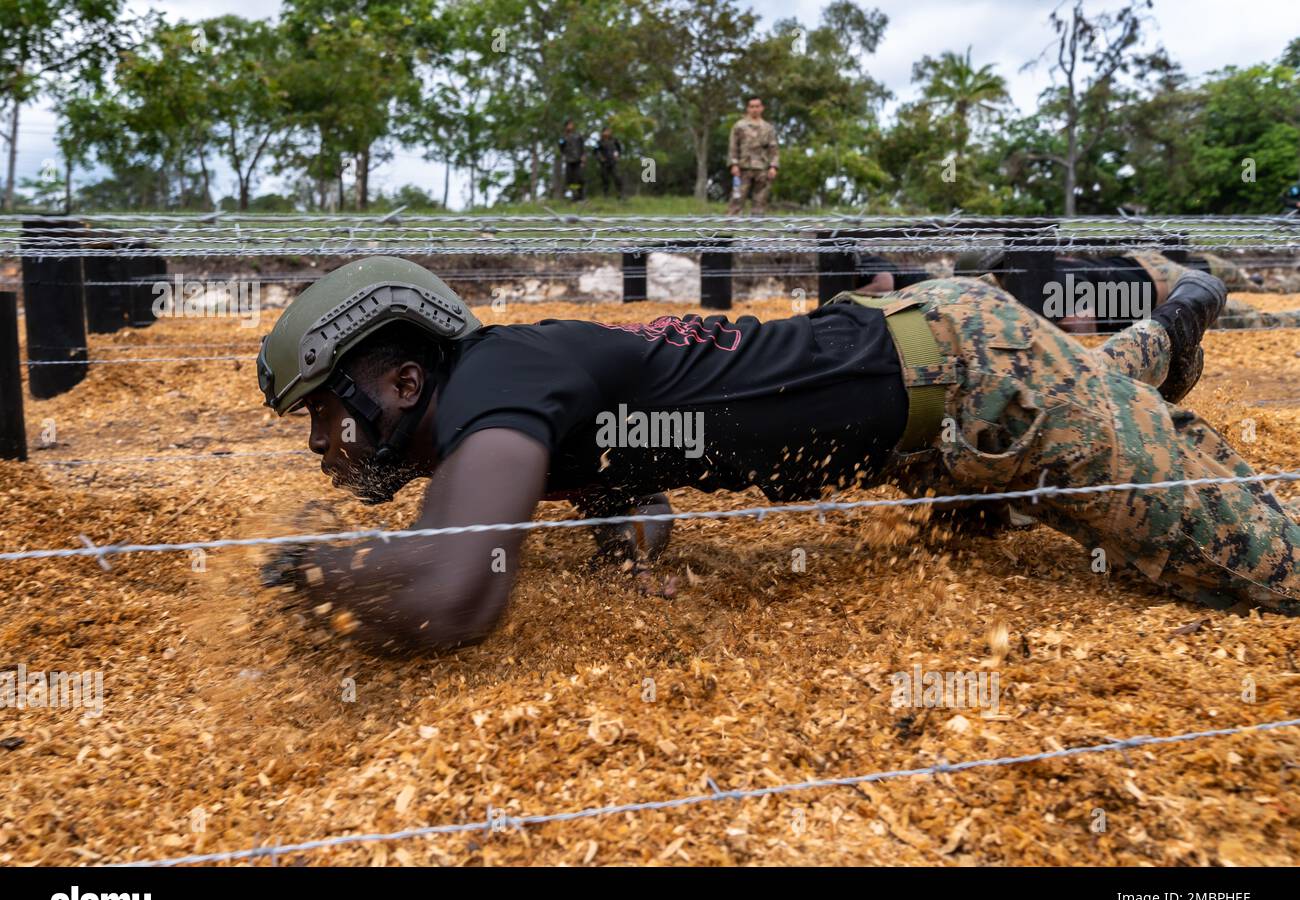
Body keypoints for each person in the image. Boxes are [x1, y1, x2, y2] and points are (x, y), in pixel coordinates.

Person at [256, 255, 1300, 655]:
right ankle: (1178, 315)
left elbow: (453, 592)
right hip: (932, 394)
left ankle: (1167, 342)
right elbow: (634, 490)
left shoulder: (494, 384)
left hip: (978, 374)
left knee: (1270, 571)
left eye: (324, 413)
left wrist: (306, 568)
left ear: (400, 383)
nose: (321, 447)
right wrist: (636, 561)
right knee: (1087, 407)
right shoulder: (517, 401)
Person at [726, 97, 779, 216]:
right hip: (743, 167)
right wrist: (734, 164)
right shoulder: (739, 126)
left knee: (760, 201)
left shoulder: (768, 128)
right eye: (752, 106)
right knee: (737, 199)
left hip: (762, 168)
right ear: (748, 108)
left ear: (762, 108)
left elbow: (773, 148)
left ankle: (757, 230)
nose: (754, 109)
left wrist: (773, 166)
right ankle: (729, 229)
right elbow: (733, 146)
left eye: (757, 106)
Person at [592, 127, 624, 199]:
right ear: (603, 132)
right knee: (605, 179)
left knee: (617, 177)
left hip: (613, 162)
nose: (607, 133)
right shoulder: (599, 142)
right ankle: (605, 195)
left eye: (609, 131)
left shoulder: (614, 140)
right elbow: (595, 151)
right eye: (606, 131)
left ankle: (620, 194)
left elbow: (619, 149)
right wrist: (600, 158)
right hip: (604, 163)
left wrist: (618, 155)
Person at [558, 120, 586, 201]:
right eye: (568, 125)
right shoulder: (563, 137)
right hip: (569, 160)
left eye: (571, 124)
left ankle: (581, 196)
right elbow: (561, 147)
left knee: (579, 177)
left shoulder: (578, 136)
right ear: (565, 126)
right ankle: (574, 196)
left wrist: (583, 156)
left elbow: (582, 147)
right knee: (570, 179)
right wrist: (565, 154)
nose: (570, 126)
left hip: (578, 160)